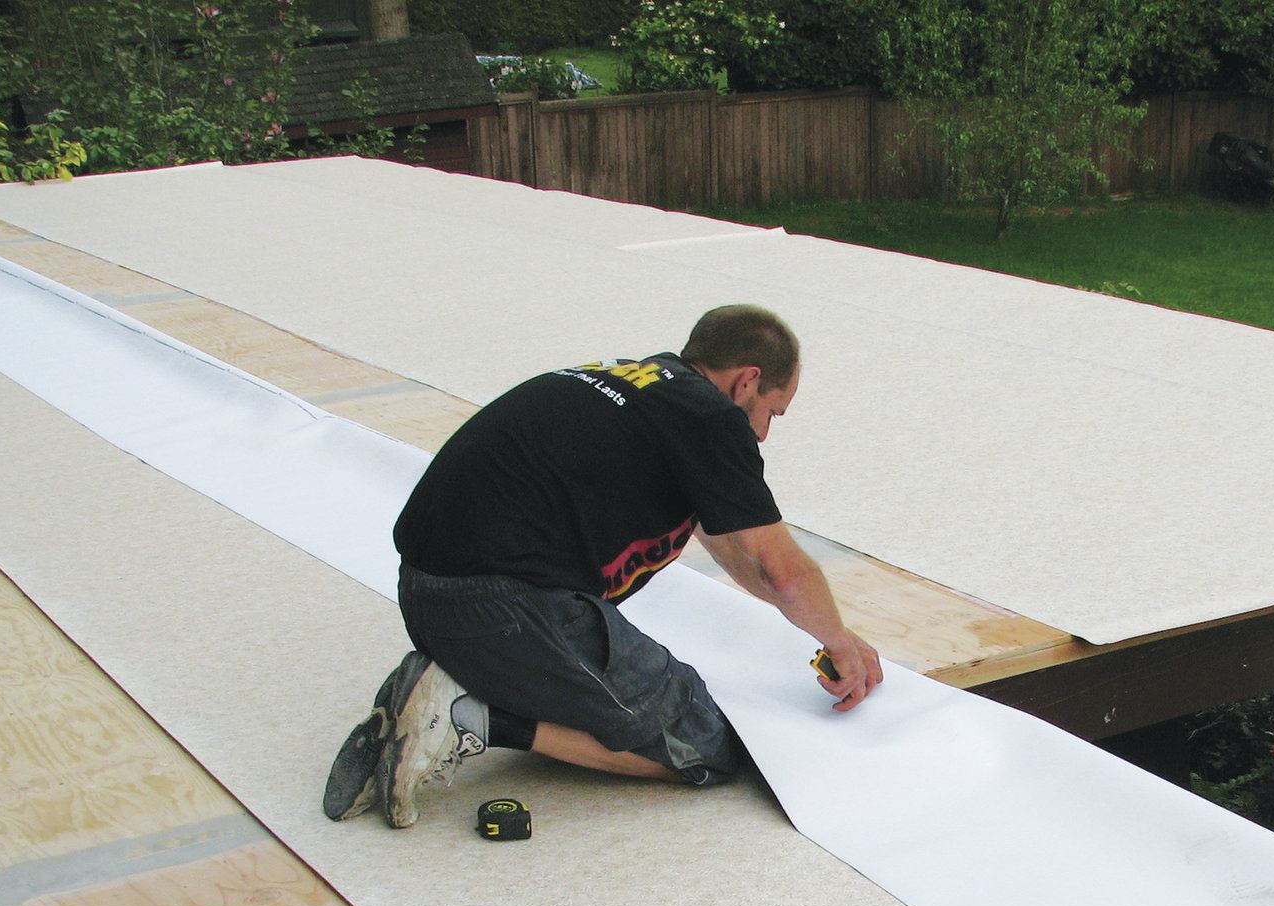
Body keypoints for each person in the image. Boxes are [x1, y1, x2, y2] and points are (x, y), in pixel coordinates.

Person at [322, 304, 883, 828]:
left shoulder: (628, 382)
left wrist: (832, 629)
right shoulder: (710, 418)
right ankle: (469, 714)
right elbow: (781, 569)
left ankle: (452, 676)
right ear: (747, 380)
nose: (761, 433)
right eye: (770, 412)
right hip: (503, 610)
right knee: (704, 743)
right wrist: (840, 646)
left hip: (423, 594)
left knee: (608, 685)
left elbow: (735, 544)